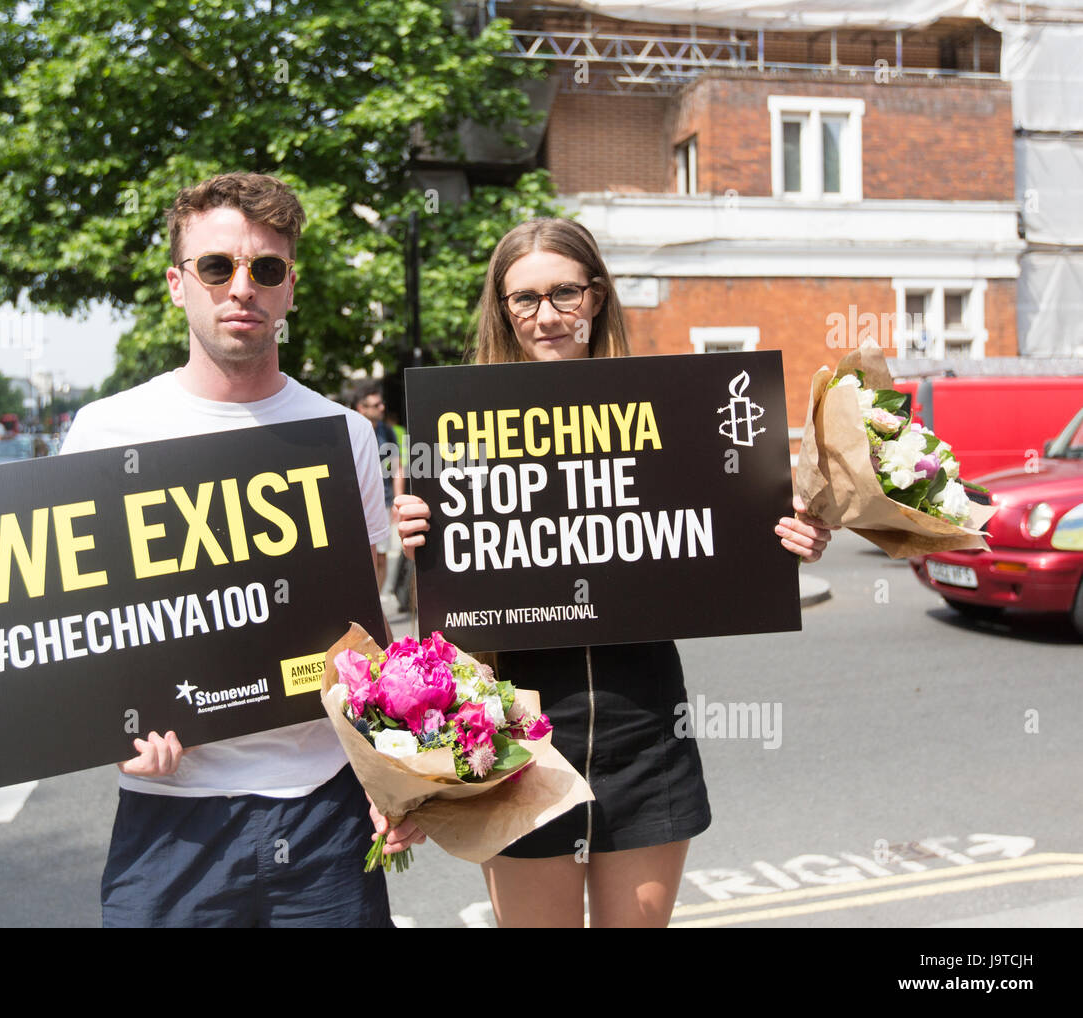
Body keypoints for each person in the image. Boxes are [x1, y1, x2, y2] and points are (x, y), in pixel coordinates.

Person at [393, 218, 834, 928]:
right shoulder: (457, 431)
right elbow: (449, 610)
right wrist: (420, 534)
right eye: (523, 299)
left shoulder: (676, 410)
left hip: (645, 726)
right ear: (501, 309)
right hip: (512, 738)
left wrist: (789, 533)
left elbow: (734, 530)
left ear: (596, 295)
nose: (545, 316)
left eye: (563, 293)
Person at [59, 172, 420, 927]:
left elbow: (362, 637)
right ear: (176, 282)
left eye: (267, 269)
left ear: (290, 288)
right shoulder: (105, 433)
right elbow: (78, 633)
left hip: (324, 812)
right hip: (171, 818)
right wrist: (109, 732)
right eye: (217, 266)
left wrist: (393, 779)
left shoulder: (343, 435)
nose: (241, 287)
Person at [350, 381, 404, 593]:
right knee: (360, 558)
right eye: (376, 405)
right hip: (355, 505)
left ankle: (377, 603)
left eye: (382, 403)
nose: (382, 408)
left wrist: (397, 501)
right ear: (361, 408)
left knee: (381, 557)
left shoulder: (386, 432)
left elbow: (397, 466)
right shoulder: (349, 430)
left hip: (382, 501)